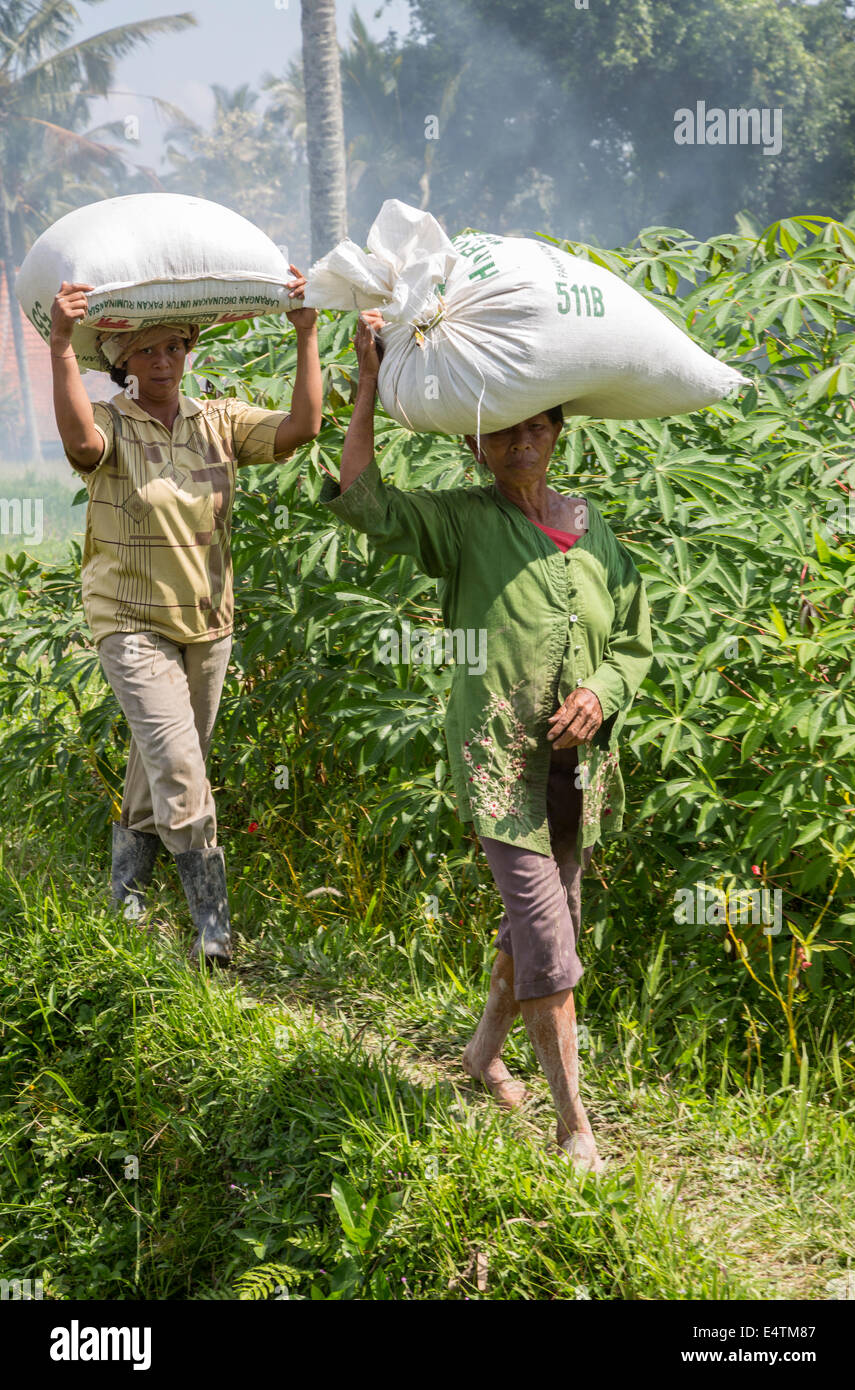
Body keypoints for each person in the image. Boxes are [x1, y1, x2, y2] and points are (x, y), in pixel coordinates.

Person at [322, 312, 652, 1172]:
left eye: (535, 423)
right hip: (499, 766)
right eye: (501, 428)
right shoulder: (463, 524)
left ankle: (479, 1056)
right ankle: (574, 1126)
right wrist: (365, 381)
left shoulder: (595, 528)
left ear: (557, 430)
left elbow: (636, 641)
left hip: (578, 773)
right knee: (550, 939)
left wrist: (599, 691)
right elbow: (363, 497)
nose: (521, 440)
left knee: (551, 920)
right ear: (476, 447)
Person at [50, 269, 322, 967]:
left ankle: (125, 897)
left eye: (174, 346)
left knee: (168, 757)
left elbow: (300, 429)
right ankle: (214, 930)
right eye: (146, 351)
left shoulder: (221, 420)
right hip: (129, 618)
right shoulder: (111, 421)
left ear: (188, 349)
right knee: (178, 764)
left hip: (207, 621)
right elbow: (82, 448)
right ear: (122, 363)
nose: (163, 361)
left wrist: (307, 333)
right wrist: (57, 346)